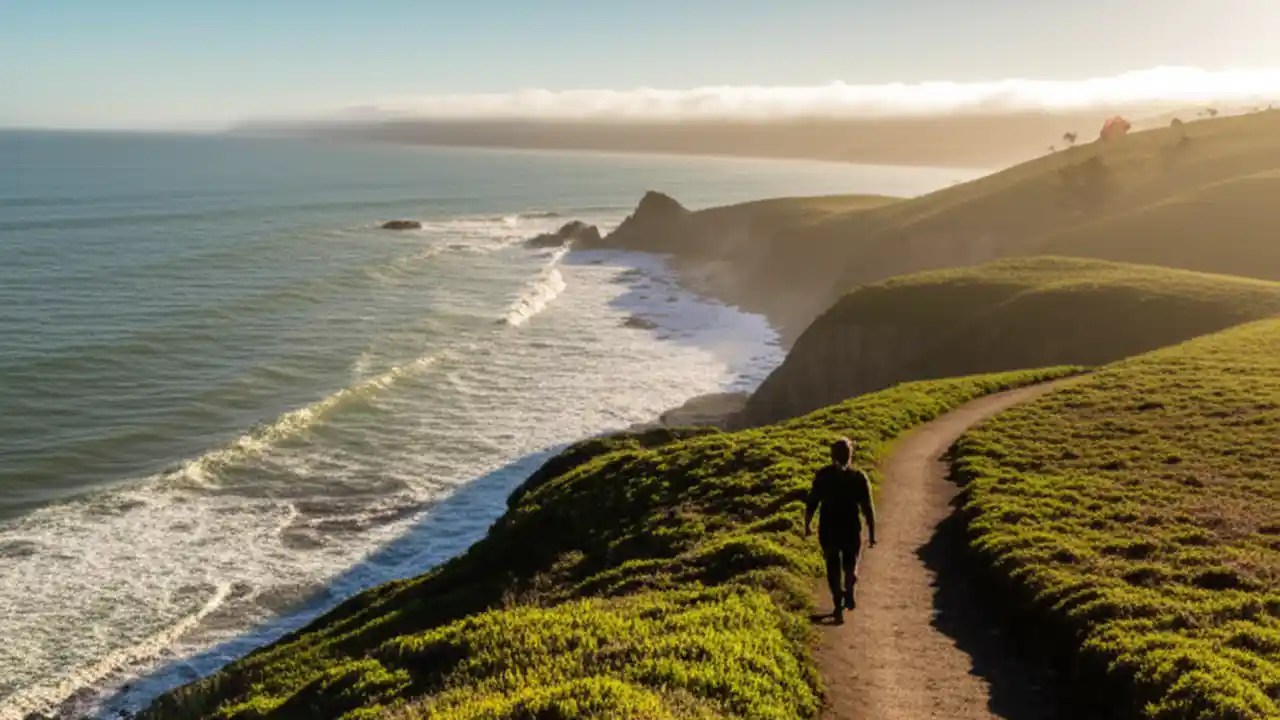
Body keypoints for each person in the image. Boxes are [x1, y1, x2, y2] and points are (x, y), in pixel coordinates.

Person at [805, 437, 876, 623]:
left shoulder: (823, 475)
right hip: (851, 528)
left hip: (829, 528)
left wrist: (807, 524)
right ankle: (850, 588)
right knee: (850, 565)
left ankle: (838, 603)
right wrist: (872, 534)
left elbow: (812, 502)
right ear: (850, 455)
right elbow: (867, 507)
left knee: (832, 566)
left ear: (831, 455)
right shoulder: (859, 477)